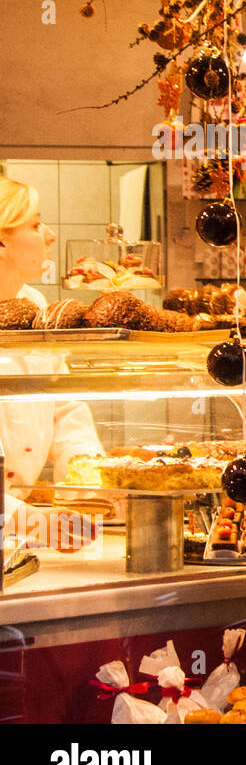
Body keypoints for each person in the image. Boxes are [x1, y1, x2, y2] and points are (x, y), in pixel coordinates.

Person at [0, 177, 104, 555]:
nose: (50, 235)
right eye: (35, 224)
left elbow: (64, 409)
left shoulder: (36, 305)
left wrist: (92, 489)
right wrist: (29, 521)